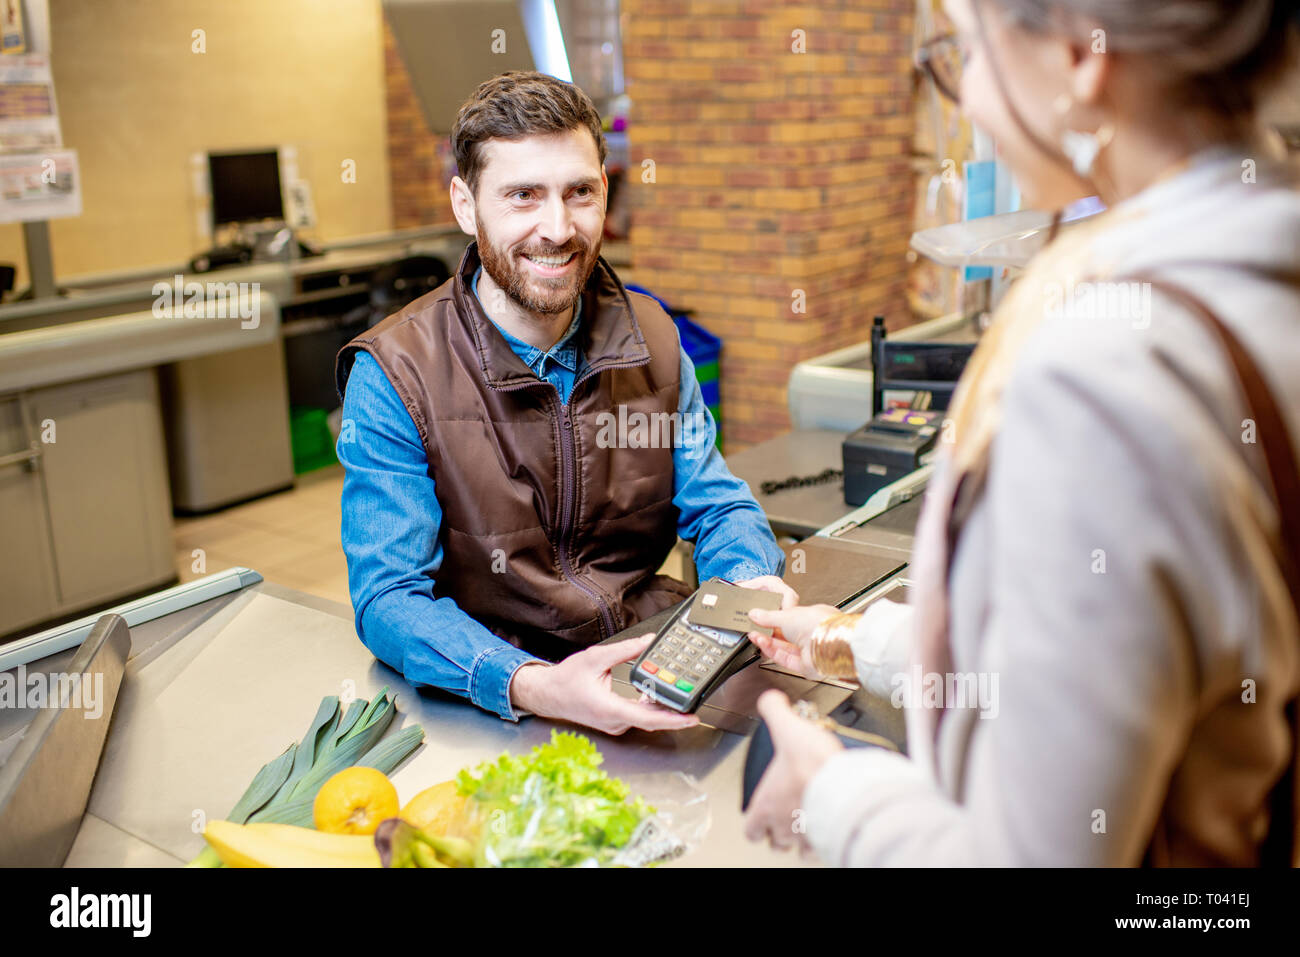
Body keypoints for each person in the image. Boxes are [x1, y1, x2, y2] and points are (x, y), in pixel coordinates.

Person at [742, 0, 1300, 865]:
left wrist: (830, 791)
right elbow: (1124, 672)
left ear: (1081, 55)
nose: (969, 98)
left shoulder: (1104, 372)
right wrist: (857, 641)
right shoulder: (1259, 281)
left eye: (965, 52)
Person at [336, 72, 795, 736]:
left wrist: (746, 589)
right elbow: (388, 598)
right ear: (465, 205)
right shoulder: (394, 373)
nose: (557, 229)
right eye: (523, 196)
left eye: (579, 192)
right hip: (495, 692)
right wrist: (534, 685)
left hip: (644, 661)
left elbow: (720, 506)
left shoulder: (654, 338)